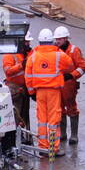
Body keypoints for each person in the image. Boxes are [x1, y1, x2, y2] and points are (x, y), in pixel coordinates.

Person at [24, 27, 75, 156]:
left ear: (39, 41)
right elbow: (70, 66)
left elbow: (28, 77)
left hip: (39, 92)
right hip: (54, 92)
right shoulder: (58, 54)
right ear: (52, 40)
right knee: (53, 121)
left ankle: (43, 147)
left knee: (42, 120)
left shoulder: (33, 56)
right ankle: (53, 149)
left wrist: (31, 93)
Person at [54, 25, 85, 145]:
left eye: (60, 39)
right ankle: (63, 134)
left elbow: (83, 66)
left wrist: (72, 75)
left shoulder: (74, 51)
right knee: (60, 109)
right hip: (57, 84)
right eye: (56, 39)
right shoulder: (55, 50)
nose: (57, 41)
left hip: (69, 85)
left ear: (65, 39)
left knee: (72, 109)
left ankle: (74, 135)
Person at [2, 36, 31, 132]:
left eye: (28, 42)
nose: (28, 44)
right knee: (15, 114)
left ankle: (25, 136)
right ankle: (14, 136)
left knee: (24, 114)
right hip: (15, 89)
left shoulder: (29, 53)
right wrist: (21, 65)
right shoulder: (9, 55)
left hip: (26, 88)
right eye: (26, 42)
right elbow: (8, 71)